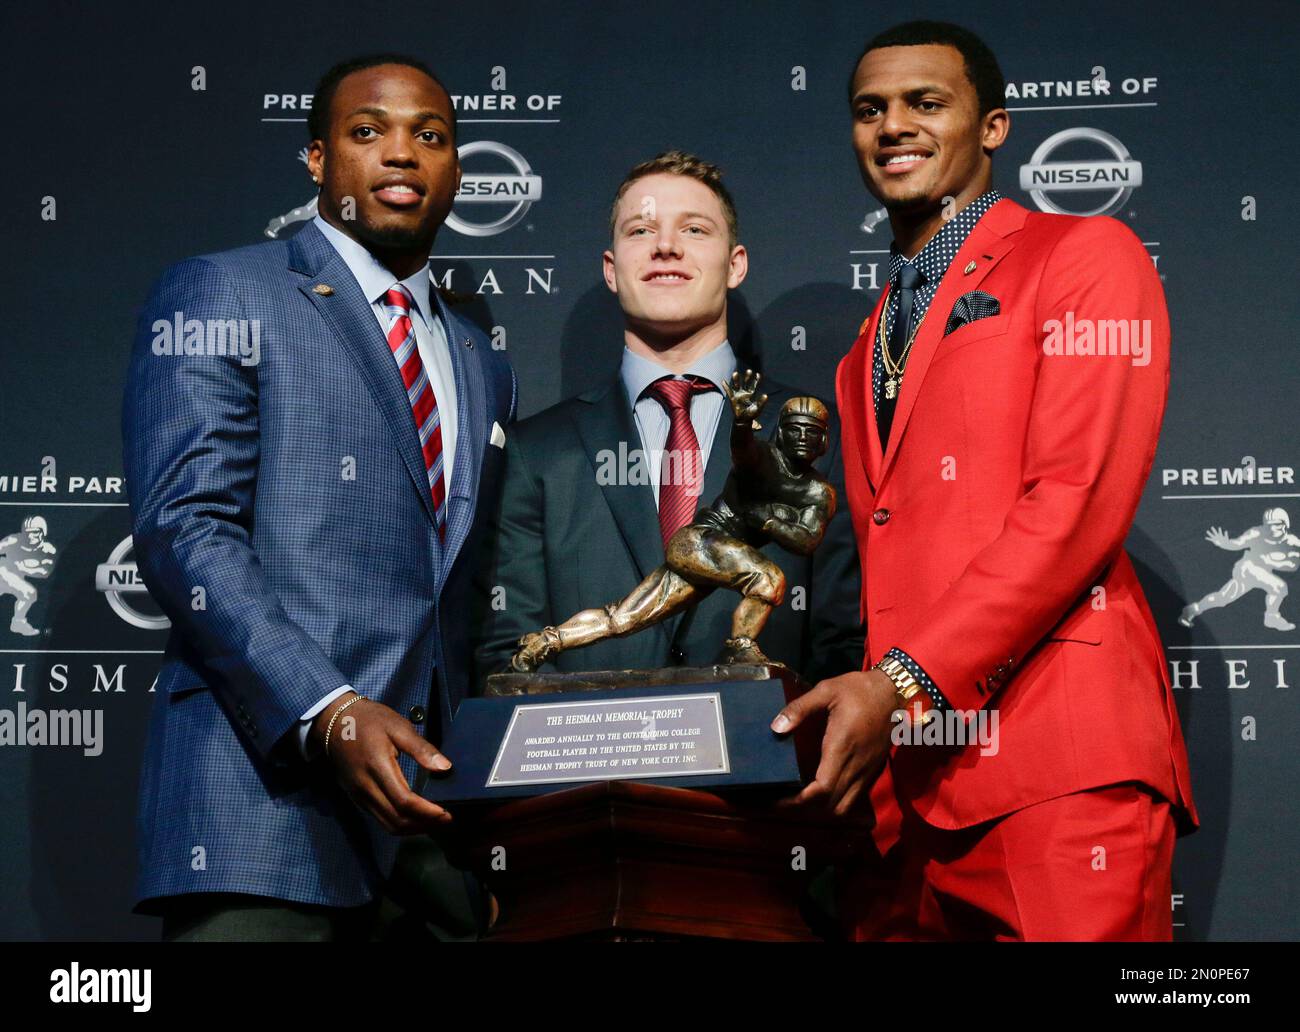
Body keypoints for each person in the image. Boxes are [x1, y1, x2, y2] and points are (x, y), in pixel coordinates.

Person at [770, 20, 1198, 940]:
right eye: (869, 110)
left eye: (926, 103)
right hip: (902, 804)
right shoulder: (859, 355)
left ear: (994, 127)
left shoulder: (1084, 255)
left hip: (1058, 773)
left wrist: (903, 683)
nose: (893, 126)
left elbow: (1076, 503)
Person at [122, 53, 516, 941]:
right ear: (315, 161)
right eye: (367, 132)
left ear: (457, 166)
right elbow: (186, 529)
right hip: (264, 816)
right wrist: (329, 710)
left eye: (432, 136)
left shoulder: (480, 353)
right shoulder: (225, 290)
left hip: (431, 840)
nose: (402, 155)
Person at [473, 151, 862, 685]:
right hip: (588, 763)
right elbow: (505, 660)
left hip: (773, 762)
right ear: (612, 269)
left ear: (736, 263)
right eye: (640, 230)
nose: (665, 247)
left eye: (695, 229)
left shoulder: (820, 435)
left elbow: (842, 646)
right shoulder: (536, 451)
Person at [510, 374, 834, 671]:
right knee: (769, 578)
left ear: (824, 440)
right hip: (698, 542)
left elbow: (806, 540)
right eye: (795, 428)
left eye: (812, 431)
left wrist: (766, 521)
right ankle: (740, 647)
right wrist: (743, 422)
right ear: (780, 431)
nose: (803, 437)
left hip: (714, 563)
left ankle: (546, 642)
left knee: (623, 619)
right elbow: (744, 451)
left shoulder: (818, 491)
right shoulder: (764, 459)